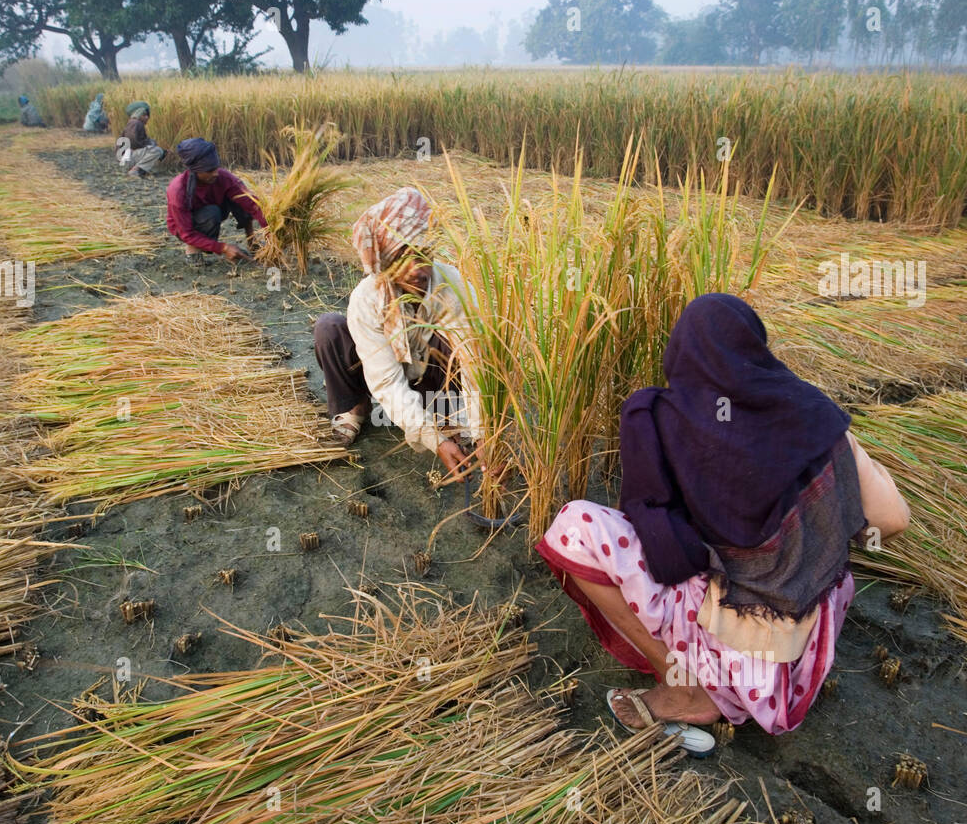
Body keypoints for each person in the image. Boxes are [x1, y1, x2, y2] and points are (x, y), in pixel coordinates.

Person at [535, 293, 910, 755]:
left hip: (718, 632)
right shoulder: (816, 416)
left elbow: (666, 557)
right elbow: (892, 518)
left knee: (576, 526)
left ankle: (685, 686)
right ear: (757, 349)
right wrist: (808, 560)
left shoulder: (662, 418)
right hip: (791, 649)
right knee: (831, 575)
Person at [313, 187, 483, 482]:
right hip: (391, 372)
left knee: (453, 340)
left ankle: (449, 414)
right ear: (386, 263)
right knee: (329, 328)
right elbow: (388, 382)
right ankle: (355, 406)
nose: (418, 270)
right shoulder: (367, 299)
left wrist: (483, 433)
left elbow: (474, 365)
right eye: (403, 258)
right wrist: (435, 441)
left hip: (430, 378)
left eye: (422, 254)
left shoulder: (453, 285)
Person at [166, 138, 267, 264]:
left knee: (241, 197)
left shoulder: (223, 177)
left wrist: (270, 232)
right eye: (209, 171)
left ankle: (252, 242)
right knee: (211, 213)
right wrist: (223, 248)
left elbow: (254, 205)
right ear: (195, 171)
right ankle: (192, 253)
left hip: (216, 210)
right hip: (186, 227)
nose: (215, 174)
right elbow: (187, 233)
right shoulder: (178, 190)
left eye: (216, 168)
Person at [118, 101, 165, 177]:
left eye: (147, 115)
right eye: (144, 115)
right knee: (157, 150)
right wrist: (151, 144)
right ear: (137, 114)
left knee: (156, 149)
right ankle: (135, 170)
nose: (147, 117)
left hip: (126, 159)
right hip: (127, 158)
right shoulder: (136, 123)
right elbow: (133, 142)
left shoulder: (133, 123)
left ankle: (139, 169)